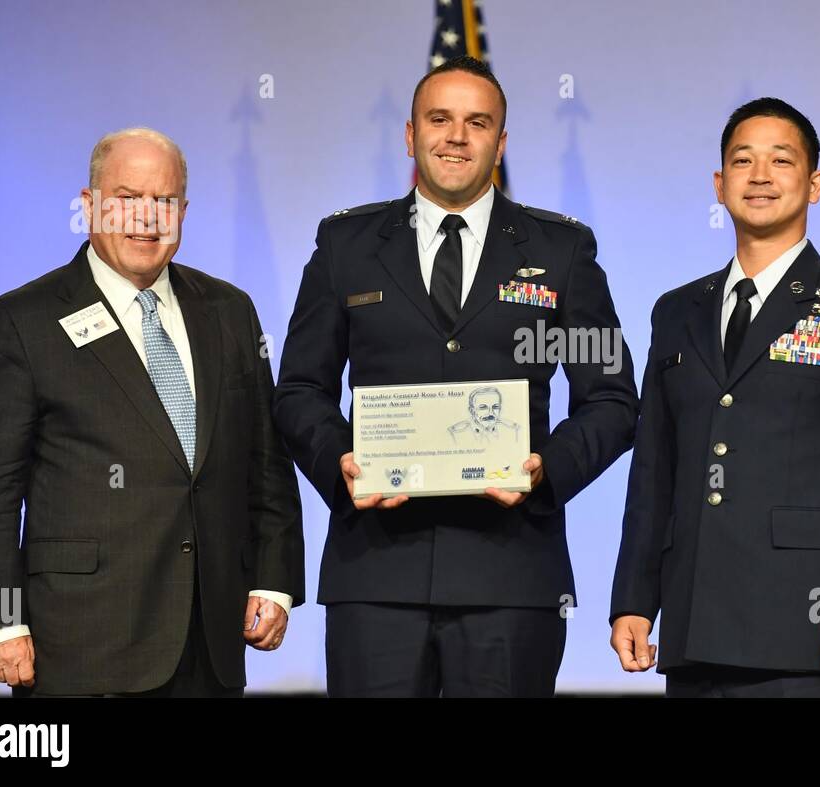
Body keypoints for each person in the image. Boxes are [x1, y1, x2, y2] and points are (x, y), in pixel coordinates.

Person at [273, 56, 639, 697]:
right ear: (410, 135)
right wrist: (340, 462)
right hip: (376, 573)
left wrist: (544, 470)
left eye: (477, 122)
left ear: (501, 141)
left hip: (512, 575)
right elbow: (300, 389)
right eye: (439, 119)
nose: (456, 136)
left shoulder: (561, 252)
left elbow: (611, 399)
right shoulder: (345, 246)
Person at [0, 127, 304, 696]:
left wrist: (275, 580)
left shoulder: (231, 312)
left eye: (163, 201)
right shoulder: (22, 321)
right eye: (128, 199)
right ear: (89, 205)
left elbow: (266, 459)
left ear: (184, 211)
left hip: (209, 643)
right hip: (81, 644)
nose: (146, 218)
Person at [609, 98, 820, 697]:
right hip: (695, 628)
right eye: (742, 161)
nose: (759, 176)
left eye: (781, 161)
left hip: (814, 635)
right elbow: (655, 468)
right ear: (719, 183)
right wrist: (633, 599)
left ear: (815, 184)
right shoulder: (677, 310)